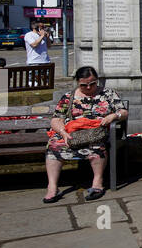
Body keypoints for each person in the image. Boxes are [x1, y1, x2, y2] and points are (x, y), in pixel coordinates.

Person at [43, 66, 126, 203]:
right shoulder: (69, 97)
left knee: (97, 146)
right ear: (77, 82)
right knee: (53, 145)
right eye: (84, 85)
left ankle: (97, 182)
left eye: (92, 84)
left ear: (97, 81)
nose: (88, 88)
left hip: (96, 132)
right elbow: (56, 119)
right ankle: (52, 187)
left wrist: (113, 116)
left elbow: (123, 112)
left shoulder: (108, 94)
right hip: (72, 133)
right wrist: (63, 132)